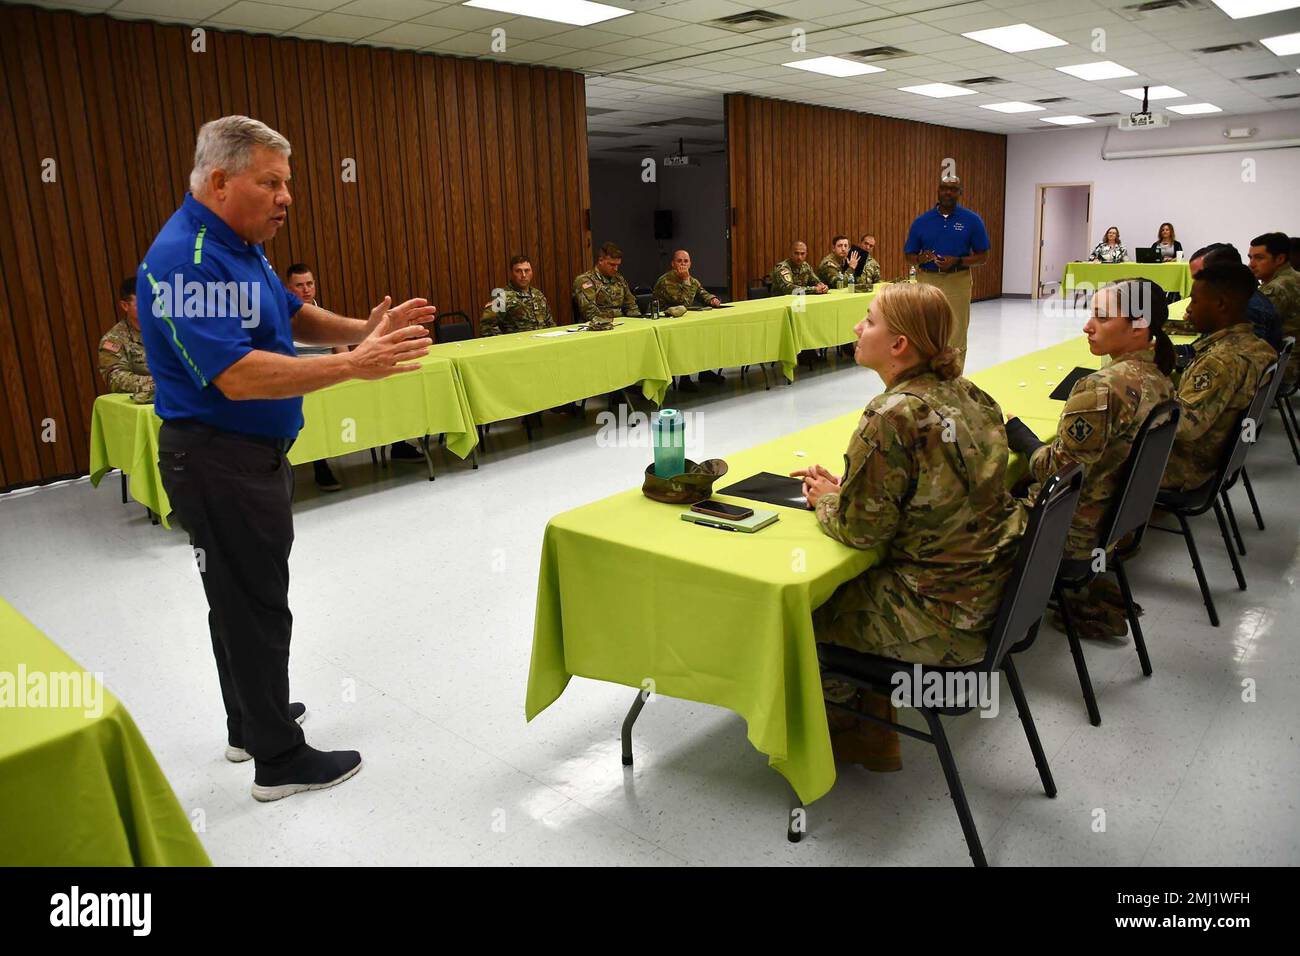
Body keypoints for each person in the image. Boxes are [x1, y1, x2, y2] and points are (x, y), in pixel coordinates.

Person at [139, 115, 435, 801]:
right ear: (219, 180)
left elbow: (289, 316)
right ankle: (278, 759)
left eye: (287, 183)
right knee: (257, 606)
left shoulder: (240, 244)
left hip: (240, 458)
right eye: (270, 182)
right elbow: (237, 374)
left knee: (236, 602)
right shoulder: (186, 256)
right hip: (219, 461)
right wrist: (353, 367)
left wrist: (360, 330)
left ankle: (249, 723)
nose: (286, 197)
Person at [790, 284, 1026, 771]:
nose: (858, 328)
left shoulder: (891, 415)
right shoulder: (970, 395)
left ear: (899, 345)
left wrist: (829, 503)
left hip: (944, 618)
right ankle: (872, 728)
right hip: (994, 594)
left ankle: (849, 732)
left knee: (799, 616)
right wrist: (854, 489)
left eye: (870, 321)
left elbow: (861, 533)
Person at [1005, 279, 1176, 639]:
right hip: (1114, 526)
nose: (1087, 325)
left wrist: (1018, 434)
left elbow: (1058, 472)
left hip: (1071, 531)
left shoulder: (1100, 387)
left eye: (1101, 317)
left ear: (1139, 324)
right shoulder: (1160, 379)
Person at [1162, 260, 1277, 493]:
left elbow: (1182, 427)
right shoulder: (1259, 348)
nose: (1189, 308)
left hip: (1186, 467)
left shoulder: (1220, 362)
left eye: (1195, 300)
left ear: (1221, 304)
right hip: (1220, 457)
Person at [903, 175, 990, 372]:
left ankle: (955, 378)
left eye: (952, 189)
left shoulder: (972, 220)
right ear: (938, 191)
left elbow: (982, 256)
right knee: (926, 327)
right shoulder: (922, 221)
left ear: (960, 193)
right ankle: (927, 376)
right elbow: (909, 254)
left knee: (957, 330)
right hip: (927, 279)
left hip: (957, 280)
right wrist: (920, 259)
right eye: (944, 188)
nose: (947, 192)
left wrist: (958, 260)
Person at [284, 264, 347, 490]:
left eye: (309, 284)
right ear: (288, 289)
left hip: (330, 384)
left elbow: (345, 356)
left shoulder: (328, 319)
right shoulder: (280, 324)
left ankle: (398, 446)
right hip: (300, 387)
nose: (306, 290)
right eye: (299, 285)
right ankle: (321, 465)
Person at [1179, 244, 1281, 349]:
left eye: (1205, 275)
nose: (1199, 281)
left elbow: (1244, 355)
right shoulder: (1245, 298)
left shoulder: (1248, 308)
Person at [652, 249, 724, 390]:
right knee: (686, 339)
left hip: (682, 321)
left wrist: (713, 299)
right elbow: (681, 302)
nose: (683, 264)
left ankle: (705, 371)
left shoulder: (693, 281)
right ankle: (684, 379)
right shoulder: (665, 281)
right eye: (679, 261)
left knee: (704, 334)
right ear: (673, 264)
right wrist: (685, 280)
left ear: (690, 264)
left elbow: (703, 294)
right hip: (664, 323)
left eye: (686, 261)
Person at [1248, 232, 1300, 388]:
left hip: (1283, 368)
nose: (1251, 264)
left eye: (1259, 258)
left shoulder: (1276, 289)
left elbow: (1250, 331)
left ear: (1280, 259)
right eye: (1250, 257)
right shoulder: (1294, 276)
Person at [98, 277, 155, 404]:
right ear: (125, 306)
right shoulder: (114, 339)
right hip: (142, 403)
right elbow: (115, 379)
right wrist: (157, 382)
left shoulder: (168, 329)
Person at [480, 255, 555, 336]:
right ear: (511, 273)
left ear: (532, 272)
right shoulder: (502, 296)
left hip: (542, 343)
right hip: (518, 344)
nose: (523, 275)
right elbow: (487, 326)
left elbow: (550, 323)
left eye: (527, 270)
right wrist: (505, 343)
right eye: (518, 271)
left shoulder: (538, 295)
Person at [573, 241, 640, 330]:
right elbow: (590, 312)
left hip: (621, 324)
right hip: (598, 327)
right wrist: (611, 322)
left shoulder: (618, 278)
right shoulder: (585, 280)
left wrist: (637, 321)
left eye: (617, 265)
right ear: (601, 260)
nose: (615, 269)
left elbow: (630, 304)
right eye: (612, 264)